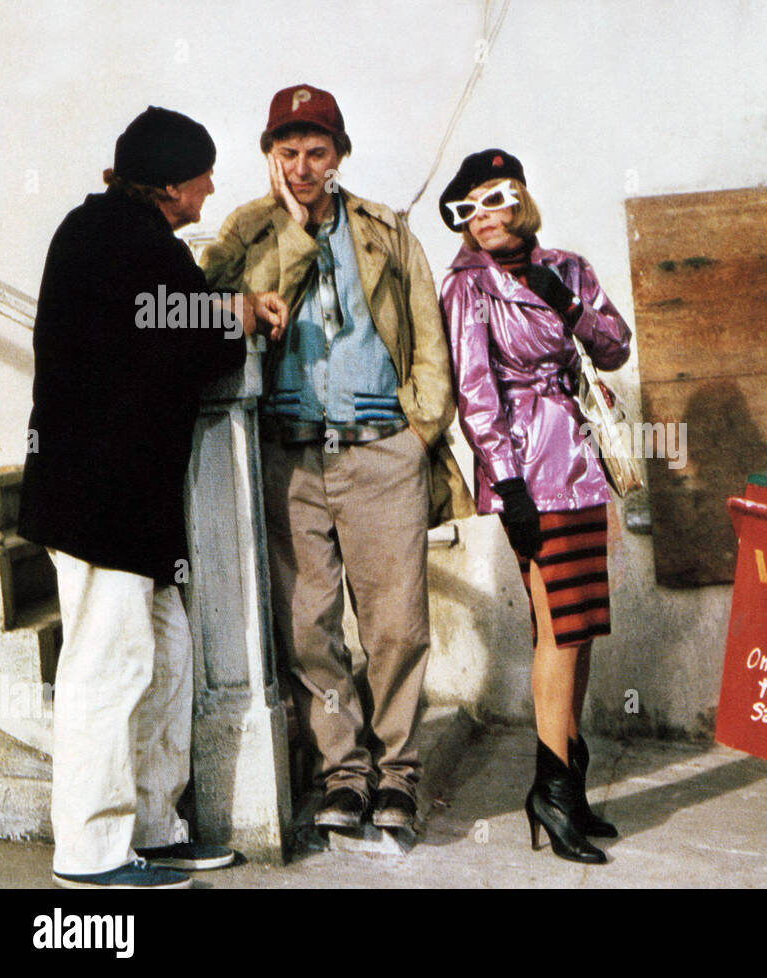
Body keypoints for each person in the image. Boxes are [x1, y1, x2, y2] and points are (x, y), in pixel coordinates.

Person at [19, 106, 287, 888]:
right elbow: (182, 337)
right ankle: (91, 852)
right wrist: (236, 314)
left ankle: (156, 828)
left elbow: (165, 325)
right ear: (171, 183)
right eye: (203, 172)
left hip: (129, 501)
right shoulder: (119, 240)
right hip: (96, 501)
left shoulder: (119, 236)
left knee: (164, 657)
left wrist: (224, 311)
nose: (211, 187)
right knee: (108, 668)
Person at [202, 85, 473, 833]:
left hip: (380, 454)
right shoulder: (248, 233)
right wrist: (289, 230)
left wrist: (418, 433)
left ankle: (398, 775)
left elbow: (429, 339)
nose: (300, 166)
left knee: (396, 628)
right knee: (308, 630)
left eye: (315, 151)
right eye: (285, 152)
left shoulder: (386, 231)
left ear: (340, 155)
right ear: (268, 159)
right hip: (290, 459)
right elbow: (206, 308)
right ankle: (343, 775)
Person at [438, 149, 632, 864]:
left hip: (580, 467)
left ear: (518, 200)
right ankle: (549, 792)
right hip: (527, 472)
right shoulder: (467, 287)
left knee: (580, 628)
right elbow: (475, 391)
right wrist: (508, 485)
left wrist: (569, 302)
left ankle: (568, 785)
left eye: (494, 200)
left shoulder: (569, 267)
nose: (483, 217)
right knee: (557, 626)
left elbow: (614, 350)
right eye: (468, 209)